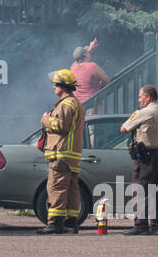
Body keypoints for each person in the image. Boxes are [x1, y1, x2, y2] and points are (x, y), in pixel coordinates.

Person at [37, 69, 85, 235]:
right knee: (72, 189)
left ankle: (55, 223)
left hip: (61, 154)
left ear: (63, 86)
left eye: (55, 84)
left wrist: (46, 119)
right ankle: (71, 222)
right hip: (72, 155)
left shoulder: (66, 105)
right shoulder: (76, 103)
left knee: (56, 188)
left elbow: (61, 126)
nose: (53, 87)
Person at [120, 84, 158, 235]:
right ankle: (156, 225)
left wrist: (135, 117)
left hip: (146, 157)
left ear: (148, 97)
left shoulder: (145, 112)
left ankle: (140, 225)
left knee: (140, 190)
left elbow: (124, 128)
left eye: (140, 96)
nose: (139, 99)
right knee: (157, 190)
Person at [69, 38, 110, 108]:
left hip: (77, 106)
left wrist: (90, 48)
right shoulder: (92, 66)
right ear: (86, 55)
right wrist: (100, 87)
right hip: (92, 106)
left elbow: (82, 55)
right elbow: (106, 80)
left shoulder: (73, 67)